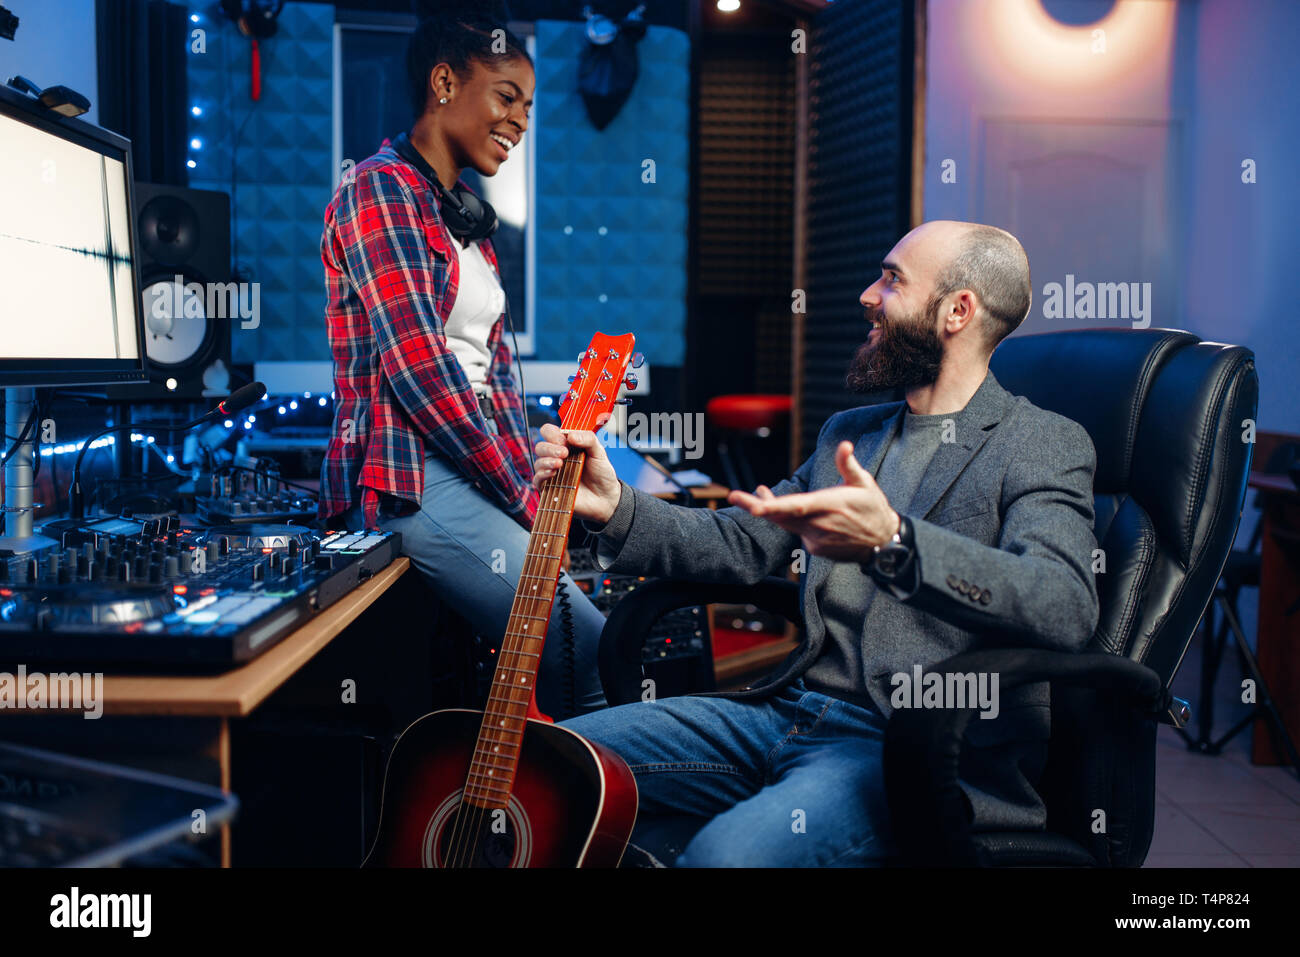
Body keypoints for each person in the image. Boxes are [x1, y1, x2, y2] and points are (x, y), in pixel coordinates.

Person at [535, 220, 1101, 866]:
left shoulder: (1040, 442)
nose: (866, 294)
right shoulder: (850, 432)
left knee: (725, 857)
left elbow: (1064, 603)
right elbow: (744, 542)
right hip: (784, 714)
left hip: (907, 752)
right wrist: (616, 507)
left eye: (891, 279)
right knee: (543, 765)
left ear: (957, 311)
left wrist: (895, 543)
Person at [317, 3, 607, 720]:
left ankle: (562, 821)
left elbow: (498, 380)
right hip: (409, 481)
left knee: (584, 636)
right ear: (444, 83)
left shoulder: (466, 216)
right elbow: (420, 368)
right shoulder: (377, 191)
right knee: (588, 643)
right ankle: (593, 824)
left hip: (470, 471)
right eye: (506, 96)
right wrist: (521, 493)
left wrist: (535, 494)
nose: (520, 120)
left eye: (529, 106)